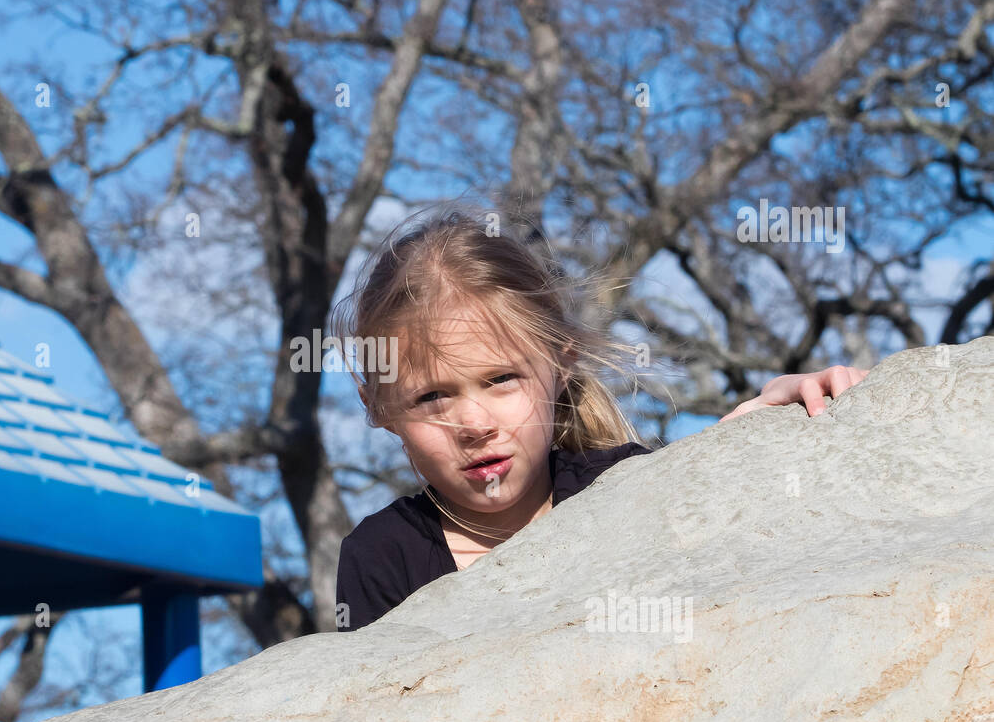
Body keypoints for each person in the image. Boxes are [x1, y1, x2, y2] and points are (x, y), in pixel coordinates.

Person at [328, 202, 868, 632]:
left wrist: (761, 424)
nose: (473, 423)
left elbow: (712, 509)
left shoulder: (621, 485)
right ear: (381, 409)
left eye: (500, 380)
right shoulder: (381, 557)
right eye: (431, 398)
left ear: (560, 366)